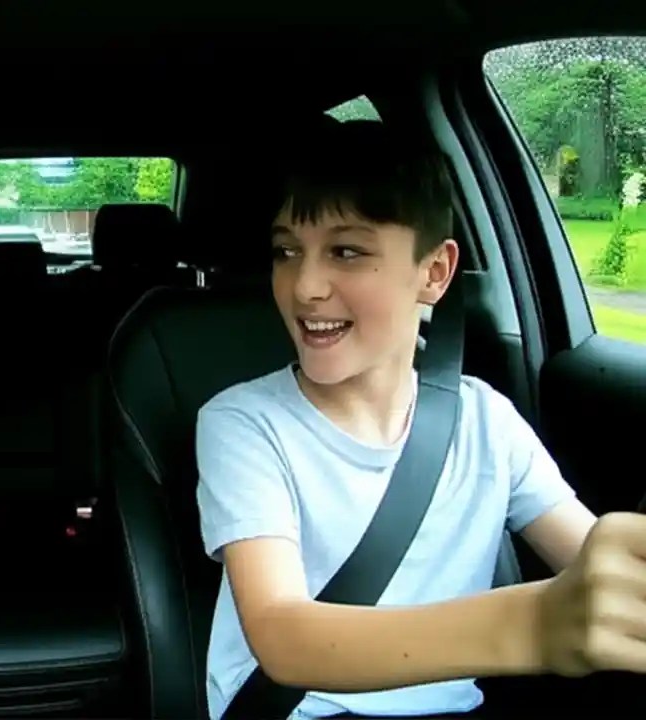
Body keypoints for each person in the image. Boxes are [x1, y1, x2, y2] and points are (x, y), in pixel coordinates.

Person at [195, 120, 646, 719]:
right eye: (286, 252)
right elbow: (283, 635)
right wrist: (537, 623)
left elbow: (598, 563)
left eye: (347, 251)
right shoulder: (244, 425)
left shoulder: (486, 421)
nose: (304, 286)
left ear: (434, 273)